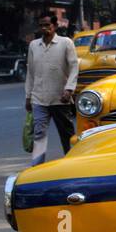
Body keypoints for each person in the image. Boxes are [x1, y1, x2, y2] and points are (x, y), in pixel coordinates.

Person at [24, 12, 78, 165]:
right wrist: (28, 96)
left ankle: (72, 163)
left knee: (66, 133)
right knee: (39, 133)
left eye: (47, 25)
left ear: (54, 26)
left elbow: (74, 67)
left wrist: (69, 89)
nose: (44, 28)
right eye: (41, 25)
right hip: (38, 98)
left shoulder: (66, 43)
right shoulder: (34, 45)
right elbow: (31, 72)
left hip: (60, 98)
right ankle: (37, 166)